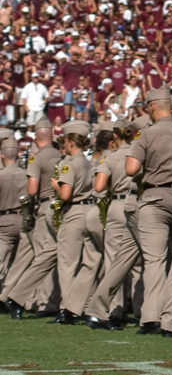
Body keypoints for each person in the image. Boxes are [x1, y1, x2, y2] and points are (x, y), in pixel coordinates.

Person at [125, 87, 172, 335]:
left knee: (154, 259)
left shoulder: (147, 134)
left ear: (152, 107)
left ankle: (151, 317)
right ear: (171, 108)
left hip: (154, 196)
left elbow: (131, 169)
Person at [86, 120, 142, 330]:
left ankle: (114, 310)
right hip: (137, 202)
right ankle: (140, 310)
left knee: (114, 260)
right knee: (138, 263)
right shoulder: (138, 153)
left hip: (116, 205)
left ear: (115, 138)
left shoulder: (111, 157)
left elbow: (99, 187)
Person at [6, 118, 63, 318]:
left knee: (44, 254)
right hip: (62, 206)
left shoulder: (35, 158)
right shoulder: (60, 154)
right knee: (54, 254)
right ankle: (51, 301)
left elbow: (31, 190)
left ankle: (43, 302)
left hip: (46, 206)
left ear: (36, 137)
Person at [51, 121, 102, 324]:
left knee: (67, 264)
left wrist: (56, 186)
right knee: (89, 263)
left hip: (73, 212)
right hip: (91, 211)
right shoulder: (90, 162)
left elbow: (65, 194)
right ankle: (84, 305)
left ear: (71, 142)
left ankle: (67, 308)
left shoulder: (69, 164)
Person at [0, 139, 26, 289]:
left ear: (2, 156)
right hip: (24, 219)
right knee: (20, 262)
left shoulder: (1, 175)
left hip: (4, 220)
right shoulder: (26, 174)